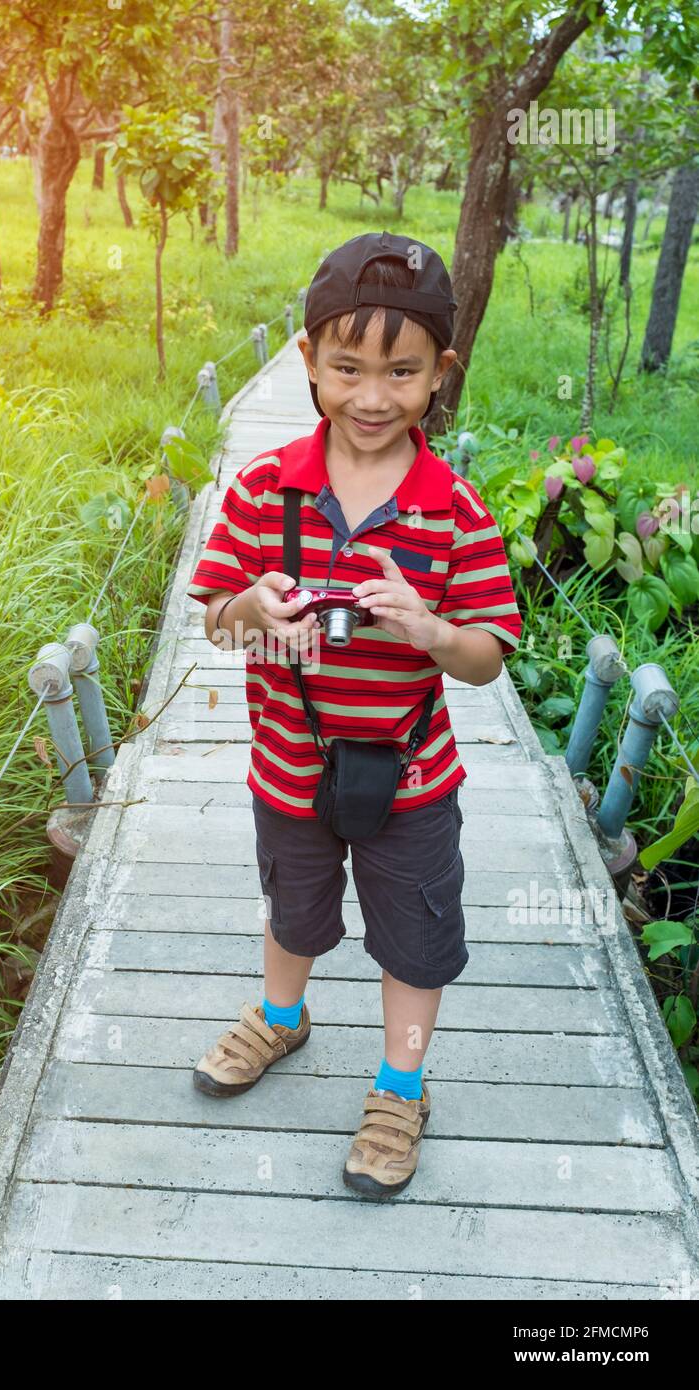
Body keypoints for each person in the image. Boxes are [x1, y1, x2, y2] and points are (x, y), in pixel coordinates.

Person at [186, 231, 523, 1199]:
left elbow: (487, 656)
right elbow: (213, 620)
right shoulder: (260, 489)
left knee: (412, 937)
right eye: (346, 367)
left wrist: (428, 629)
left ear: (438, 373)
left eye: (401, 371)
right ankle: (280, 1016)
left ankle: (399, 1084)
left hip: (410, 779)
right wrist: (248, 611)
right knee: (290, 911)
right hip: (288, 767)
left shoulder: (455, 510)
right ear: (307, 363)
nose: (372, 397)